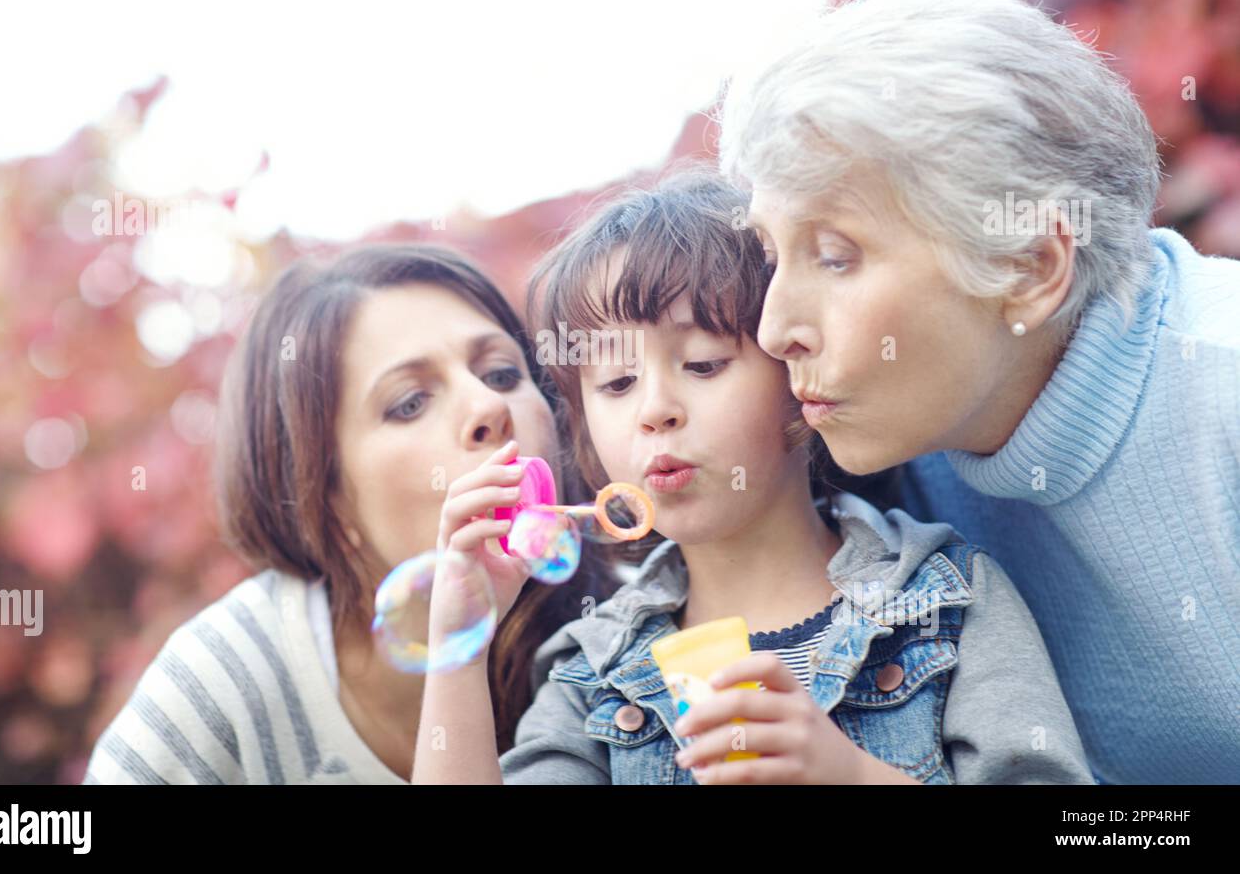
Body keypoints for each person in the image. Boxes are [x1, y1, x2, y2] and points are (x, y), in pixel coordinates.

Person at [720, 0, 1240, 784]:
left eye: (835, 257)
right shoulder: (891, 433)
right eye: (771, 253)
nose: (773, 328)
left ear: (1030, 267)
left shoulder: (1223, 393)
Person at [412, 172, 1093, 784]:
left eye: (704, 364)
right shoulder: (595, 675)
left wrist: (850, 779)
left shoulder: (944, 604)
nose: (655, 410)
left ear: (799, 375)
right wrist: (457, 646)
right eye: (617, 382)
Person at [83, 244, 612, 783]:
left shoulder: (628, 630)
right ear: (328, 500)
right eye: (409, 403)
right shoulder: (227, 676)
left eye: (501, 374)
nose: (489, 407)